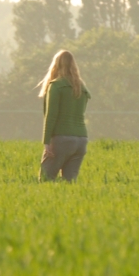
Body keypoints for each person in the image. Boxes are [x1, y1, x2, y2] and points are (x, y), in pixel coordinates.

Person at [37, 49, 90, 182]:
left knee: (46, 179)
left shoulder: (56, 86)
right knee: (69, 183)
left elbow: (51, 116)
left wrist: (46, 142)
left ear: (56, 65)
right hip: (81, 140)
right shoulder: (82, 87)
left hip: (61, 139)